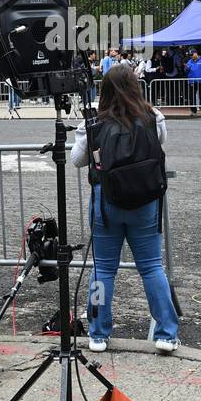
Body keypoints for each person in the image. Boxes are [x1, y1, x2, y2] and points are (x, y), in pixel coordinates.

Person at [70, 65, 178, 354]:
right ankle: (167, 333)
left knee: (103, 270)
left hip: (106, 201)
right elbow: (161, 143)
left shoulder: (95, 121)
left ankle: (98, 333)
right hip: (145, 201)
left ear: (104, 90)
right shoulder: (152, 116)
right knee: (152, 267)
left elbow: (77, 160)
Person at [185, 48, 201, 116]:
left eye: (192, 54)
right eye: (190, 55)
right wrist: (186, 69)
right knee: (191, 97)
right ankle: (193, 111)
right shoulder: (189, 61)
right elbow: (186, 72)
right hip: (192, 81)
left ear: (196, 53)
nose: (191, 56)